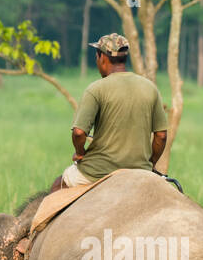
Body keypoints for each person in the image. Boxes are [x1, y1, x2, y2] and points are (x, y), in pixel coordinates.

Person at [51, 33, 169, 192]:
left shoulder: (96, 89)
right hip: (140, 170)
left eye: (96, 55)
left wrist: (79, 153)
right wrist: (150, 163)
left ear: (102, 57)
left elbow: (79, 133)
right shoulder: (150, 88)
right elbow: (161, 136)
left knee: (59, 184)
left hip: (97, 171)